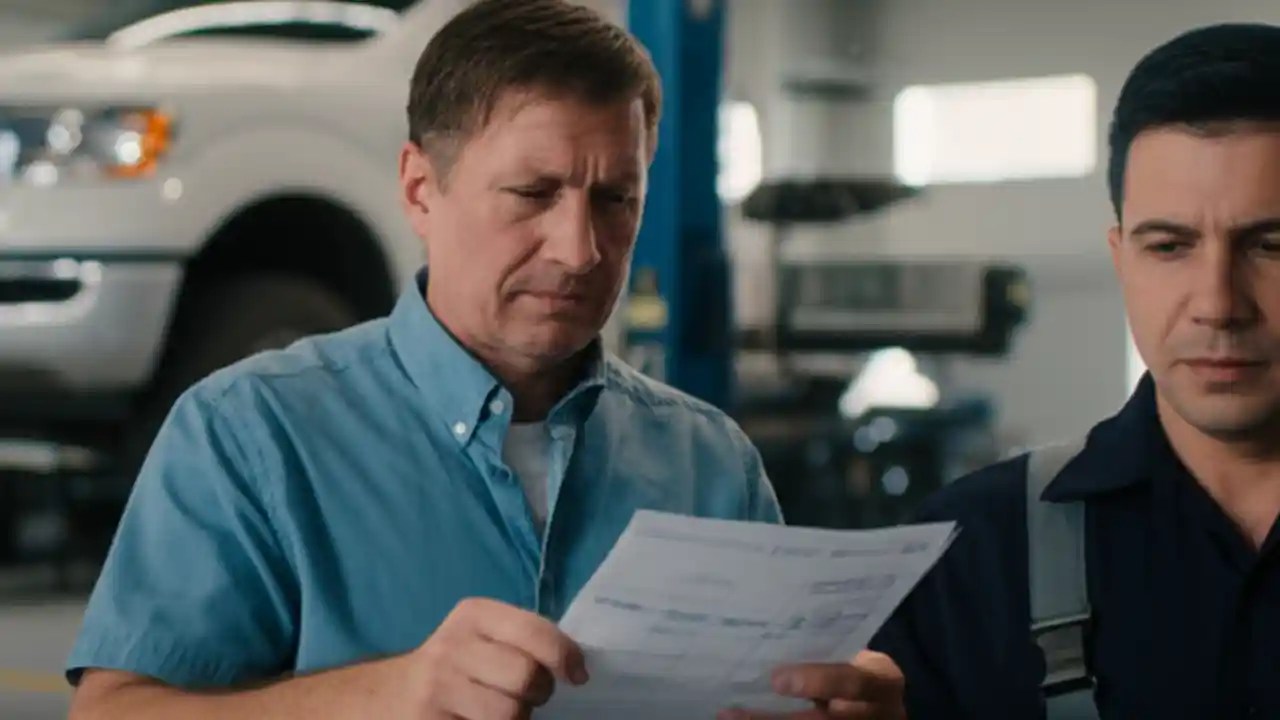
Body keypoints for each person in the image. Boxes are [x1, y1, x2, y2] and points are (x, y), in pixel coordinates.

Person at [65, 1, 906, 718]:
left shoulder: (711, 462)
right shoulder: (250, 435)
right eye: (532, 195)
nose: (579, 250)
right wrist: (388, 695)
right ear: (420, 188)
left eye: (616, 201)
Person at [868, 22, 1280, 720]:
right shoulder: (976, 560)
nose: (1218, 304)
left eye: (1271, 245)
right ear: (1122, 259)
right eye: (1169, 246)